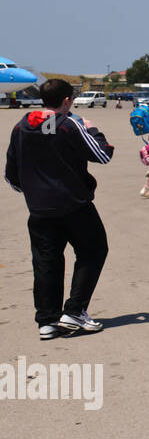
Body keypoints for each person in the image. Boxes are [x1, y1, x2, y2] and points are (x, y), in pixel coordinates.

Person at [5, 79, 114, 341]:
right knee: (93, 251)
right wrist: (93, 129)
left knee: (46, 262)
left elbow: (11, 173)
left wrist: (34, 191)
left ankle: (47, 320)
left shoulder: (22, 126)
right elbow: (102, 155)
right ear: (66, 100)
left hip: (40, 209)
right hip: (73, 205)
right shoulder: (67, 124)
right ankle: (74, 310)